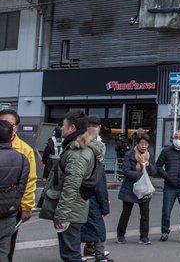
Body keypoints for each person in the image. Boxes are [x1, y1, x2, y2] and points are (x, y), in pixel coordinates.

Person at [38, 109, 97, 262]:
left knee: (71, 255)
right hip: (74, 209)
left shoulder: (77, 152)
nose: (61, 127)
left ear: (72, 128)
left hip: (71, 211)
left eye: (64, 124)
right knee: (70, 254)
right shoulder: (74, 147)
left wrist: (62, 216)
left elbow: (72, 186)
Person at [0, 108, 37, 261]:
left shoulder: (25, 150)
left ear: (16, 127)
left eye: (8, 124)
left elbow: (30, 180)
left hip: (11, 208)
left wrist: (27, 207)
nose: (4, 127)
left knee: (6, 248)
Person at [116, 131, 157, 246]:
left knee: (145, 213)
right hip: (130, 188)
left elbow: (154, 172)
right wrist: (140, 175)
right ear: (137, 144)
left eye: (146, 144)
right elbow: (126, 170)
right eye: (142, 143)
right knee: (126, 213)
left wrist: (148, 166)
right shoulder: (130, 154)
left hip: (144, 188)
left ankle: (144, 236)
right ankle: (120, 235)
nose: (144, 146)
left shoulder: (149, 156)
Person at [156, 130, 180, 243]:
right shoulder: (166, 151)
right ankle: (165, 231)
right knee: (166, 210)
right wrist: (166, 175)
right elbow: (158, 166)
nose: (177, 140)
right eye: (176, 137)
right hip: (170, 186)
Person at [81, 117, 111, 262]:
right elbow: (99, 186)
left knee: (81, 225)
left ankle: (88, 249)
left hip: (80, 194)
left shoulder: (76, 145)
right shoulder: (94, 152)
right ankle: (98, 254)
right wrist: (105, 205)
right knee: (97, 226)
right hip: (90, 194)